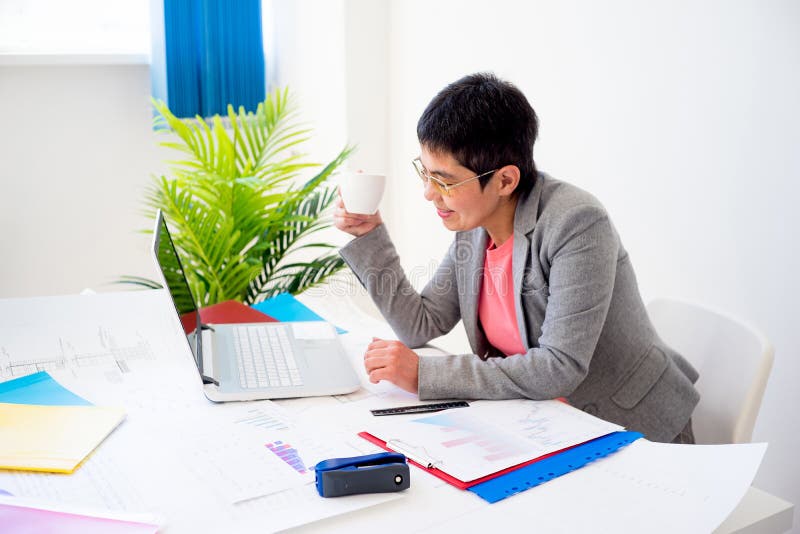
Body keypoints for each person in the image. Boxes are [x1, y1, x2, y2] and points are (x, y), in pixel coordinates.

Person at [333, 72, 699, 444]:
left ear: (505, 181)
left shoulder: (577, 222)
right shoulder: (473, 226)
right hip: (544, 421)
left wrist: (425, 374)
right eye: (425, 173)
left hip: (629, 426)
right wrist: (368, 234)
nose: (429, 193)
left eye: (444, 181)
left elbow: (560, 366)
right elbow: (420, 325)